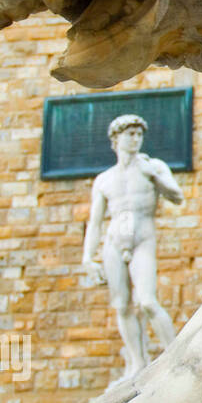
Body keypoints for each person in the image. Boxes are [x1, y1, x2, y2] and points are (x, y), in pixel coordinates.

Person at [82, 114, 183, 378]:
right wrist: (87, 258)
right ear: (116, 139)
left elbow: (177, 196)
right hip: (114, 241)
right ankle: (138, 363)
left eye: (139, 135)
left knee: (147, 301)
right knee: (122, 305)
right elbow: (94, 222)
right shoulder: (104, 179)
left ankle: (175, 358)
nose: (136, 139)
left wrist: (156, 177)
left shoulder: (153, 166)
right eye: (130, 134)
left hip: (143, 239)